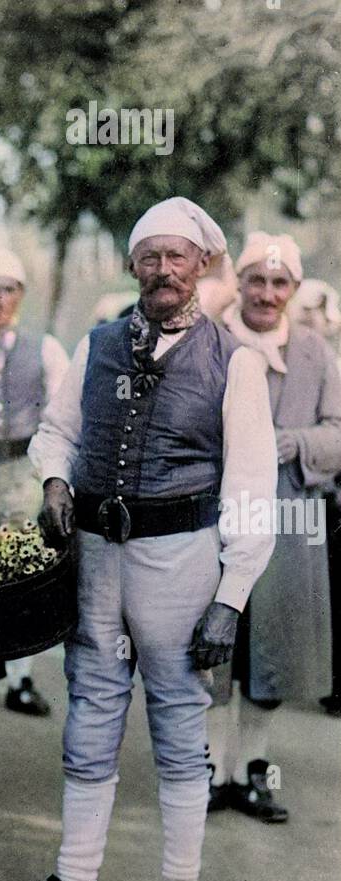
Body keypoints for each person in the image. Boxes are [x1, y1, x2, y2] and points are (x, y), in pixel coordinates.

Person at [1, 196, 276, 881]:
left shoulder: (235, 361)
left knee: (181, 728)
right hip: (98, 555)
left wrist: (231, 597)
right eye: (148, 257)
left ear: (203, 265)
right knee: (89, 717)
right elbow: (57, 431)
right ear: (131, 266)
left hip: (181, 557)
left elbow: (253, 487)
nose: (162, 270)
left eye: (176, 257)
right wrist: (55, 484)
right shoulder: (96, 346)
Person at [206, 234, 341, 817]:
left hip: (291, 513)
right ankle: (210, 769)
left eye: (279, 282)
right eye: (256, 280)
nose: (266, 293)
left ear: (293, 289)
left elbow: (339, 428)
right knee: (215, 639)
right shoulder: (210, 339)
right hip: (217, 507)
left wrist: (301, 441)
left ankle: (254, 768)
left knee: (275, 645)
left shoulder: (315, 351)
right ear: (239, 282)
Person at [0, 248, 70, 711]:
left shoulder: (42, 347)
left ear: (20, 294)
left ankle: (21, 679)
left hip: (23, 465)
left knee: (23, 566)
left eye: (8, 289)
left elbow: (62, 411)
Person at [289, 278, 341, 718]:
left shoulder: (334, 365)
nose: (312, 322)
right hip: (303, 489)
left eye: (318, 315)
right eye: (304, 312)